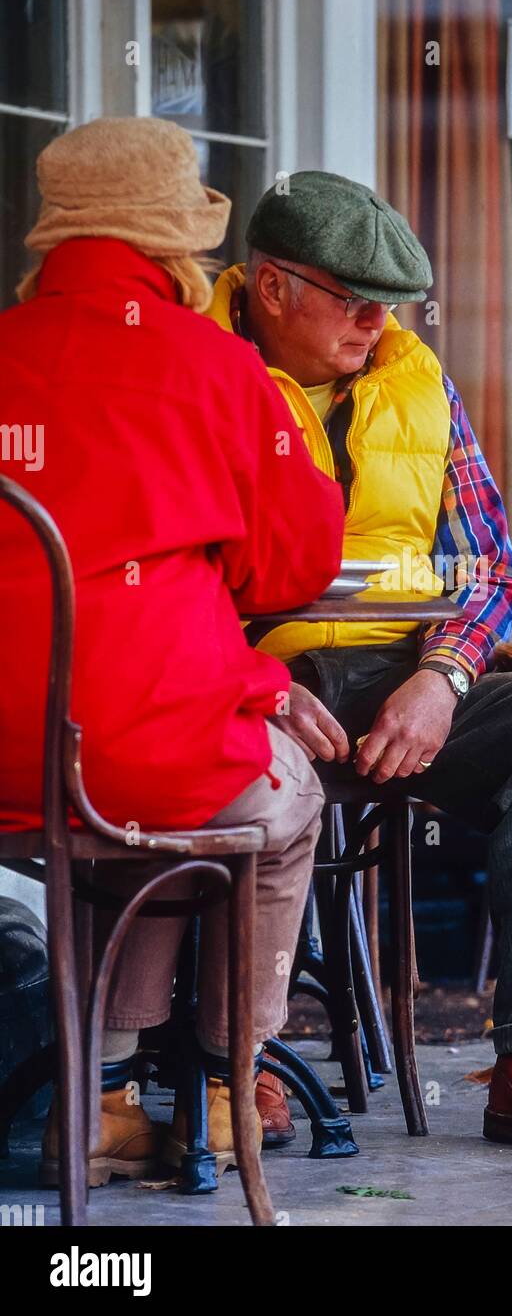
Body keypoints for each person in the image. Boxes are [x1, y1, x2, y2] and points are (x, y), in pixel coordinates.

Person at [208, 171, 512, 1155]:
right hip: (245, 679)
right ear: (272, 289)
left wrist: (443, 678)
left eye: (387, 301)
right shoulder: (199, 370)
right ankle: (237, 1061)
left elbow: (490, 565)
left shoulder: (417, 378)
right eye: (352, 298)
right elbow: (166, 571)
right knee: (200, 750)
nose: (376, 321)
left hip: (396, 674)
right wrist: (253, 689)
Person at [0, 119, 344, 1185]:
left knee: (136, 805)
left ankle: (101, 1093)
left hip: (12, 765)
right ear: (176, 253)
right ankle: (233, 1081)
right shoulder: (215, 364)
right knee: (270, 805)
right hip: (151, 754)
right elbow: (293, 567)